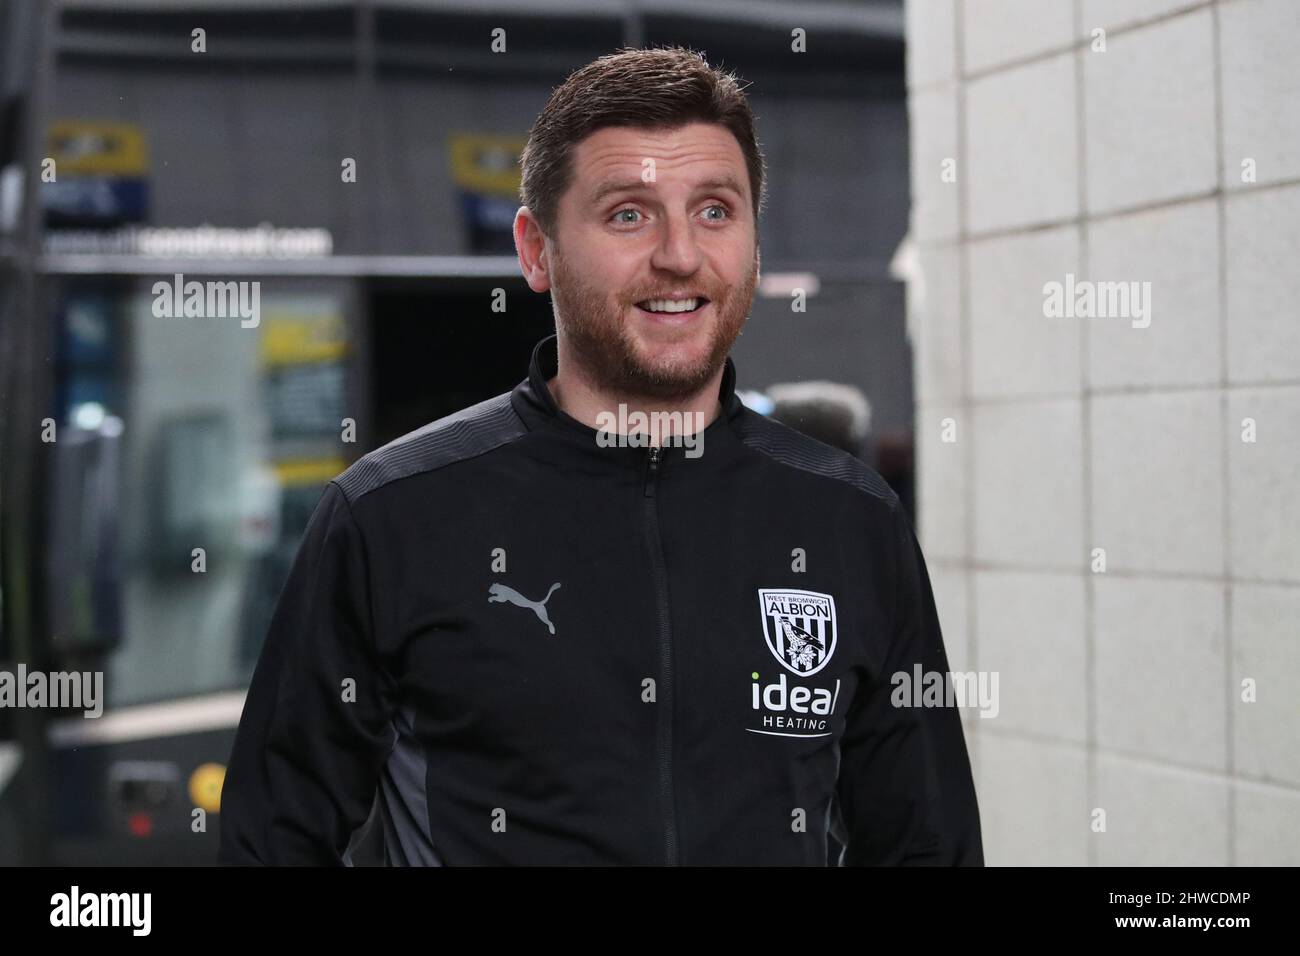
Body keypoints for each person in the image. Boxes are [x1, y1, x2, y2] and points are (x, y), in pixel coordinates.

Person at [219, 45, 982, 866]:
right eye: (629, 213)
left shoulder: (849, 520)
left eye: (716, 211)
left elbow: (926, 848)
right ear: (536, 250)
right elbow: (272, 846)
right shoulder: (389, 516)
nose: (680, 256)